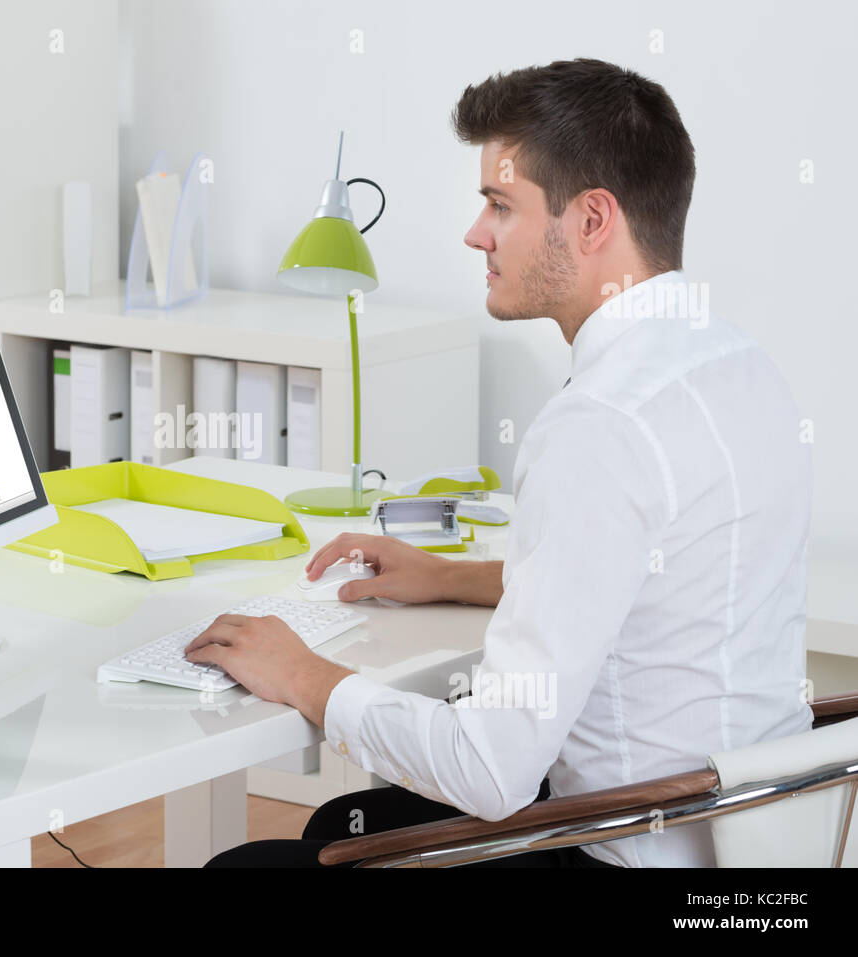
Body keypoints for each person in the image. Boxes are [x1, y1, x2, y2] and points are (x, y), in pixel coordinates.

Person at [193, 59, 812, 868]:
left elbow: (491, 770)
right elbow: (647, 581)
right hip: (764, 859)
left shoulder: (598, 424)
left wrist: (306, 674)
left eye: (500, 204)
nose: (475, 232)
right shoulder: (740, 364)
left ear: (592, 220)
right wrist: (451, 577)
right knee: (340, 827)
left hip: (629, 853)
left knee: (246, 865)